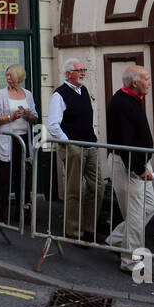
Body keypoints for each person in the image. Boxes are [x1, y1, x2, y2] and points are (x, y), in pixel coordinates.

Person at [103, 65, 154, 271]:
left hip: (138, 162)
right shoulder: (122, 103)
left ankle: (115, 240)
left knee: (150, 206)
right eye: (147, 78)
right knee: (135, 214)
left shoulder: (132, 99)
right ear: (135, 83)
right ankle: (131, 261)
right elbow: (125, 142)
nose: (150, 82)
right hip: (128, 165)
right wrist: (138, 168)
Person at [47, 58, 106, 247]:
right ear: (68, 74)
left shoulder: (84, 90)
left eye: (84, 69)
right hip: (73, 146)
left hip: (90, 145)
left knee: (97, 187)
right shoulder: (60, 94)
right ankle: (73, 232)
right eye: (78, 70)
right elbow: (53, 125)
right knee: (74, 189)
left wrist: (93, 133)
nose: (83, 72)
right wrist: (69, 143)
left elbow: (87, 118)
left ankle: (90, 230)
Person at [0, 64, 37, 218]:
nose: (7, 78)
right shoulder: (1, 94)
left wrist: (27, 115)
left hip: (23, 139)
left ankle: (23, 212)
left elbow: (35, 118)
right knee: (3, 177)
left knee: (22, 177)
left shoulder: (28, 94)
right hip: (8, 139)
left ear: (18, 76)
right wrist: (11, 117)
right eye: (6, 75)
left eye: (10, 75)